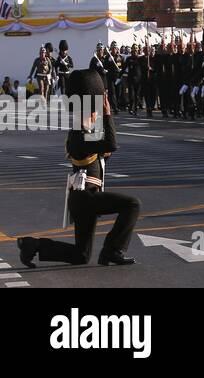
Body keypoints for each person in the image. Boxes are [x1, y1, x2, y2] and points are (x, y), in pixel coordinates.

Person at [18, 68, 140, 268]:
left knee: (81, 255)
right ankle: (112, 250)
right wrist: (107, 113)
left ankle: (32, 245)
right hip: (85, 197)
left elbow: (103, 154)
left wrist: (101, 116)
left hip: (86, 196)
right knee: (132, 205)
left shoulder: (85, 130)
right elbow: (111, 144)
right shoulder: (78, 134)